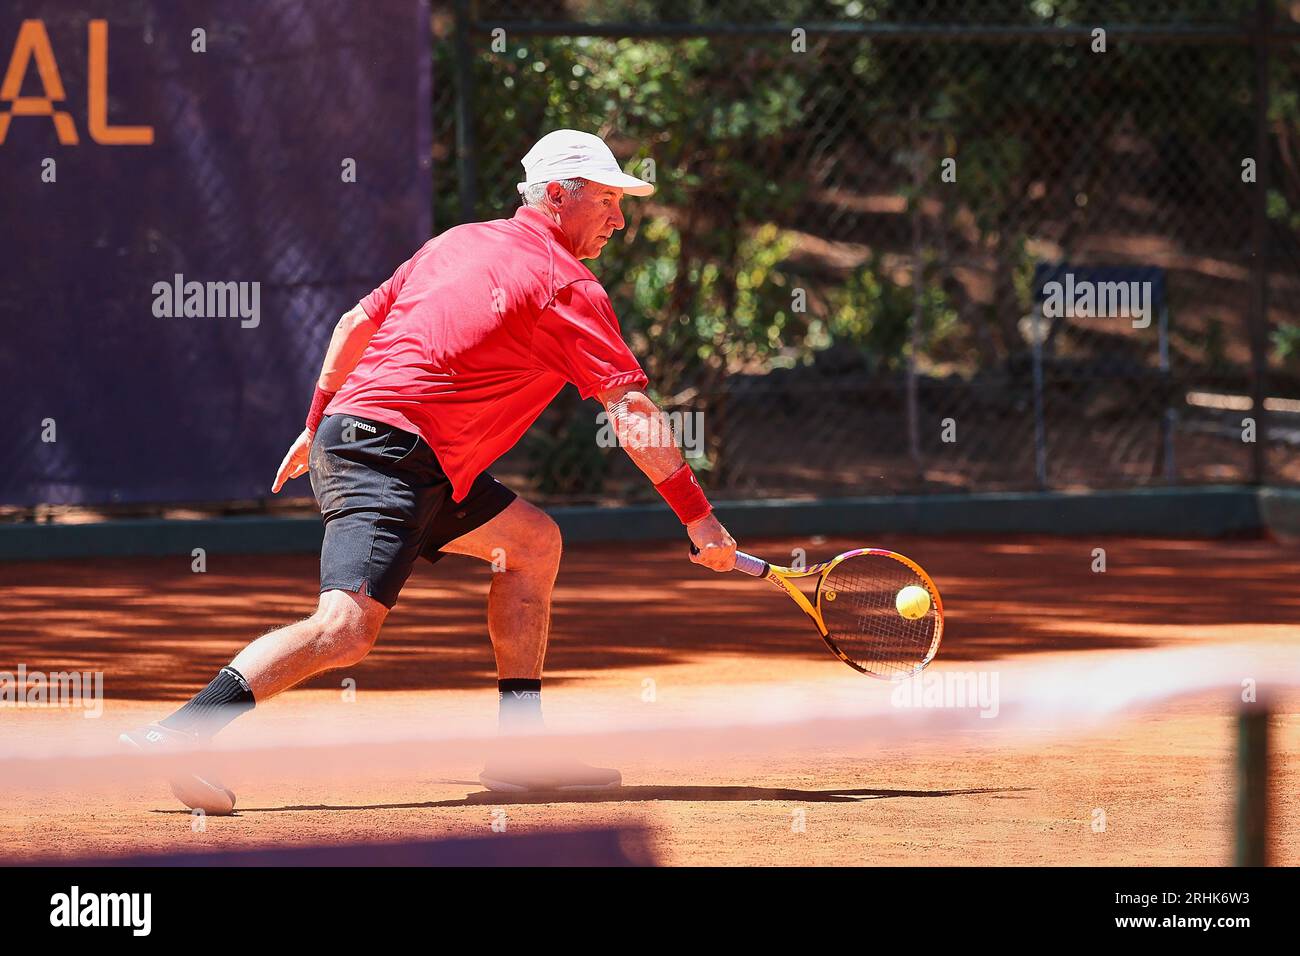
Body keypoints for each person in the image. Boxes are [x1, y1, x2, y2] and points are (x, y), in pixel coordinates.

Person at [121, 129, 738, 812]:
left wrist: (316, 422)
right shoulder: (569, 285)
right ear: (558, 196)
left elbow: (353, 325)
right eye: (607, 201)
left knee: (532, 545)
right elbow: (632, 412)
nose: (619, 219)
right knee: (345, 630)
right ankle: (184, 731)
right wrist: (698, 519)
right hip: (391, 452)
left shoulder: (456, 241)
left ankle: (521, 752)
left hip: (403, 451)